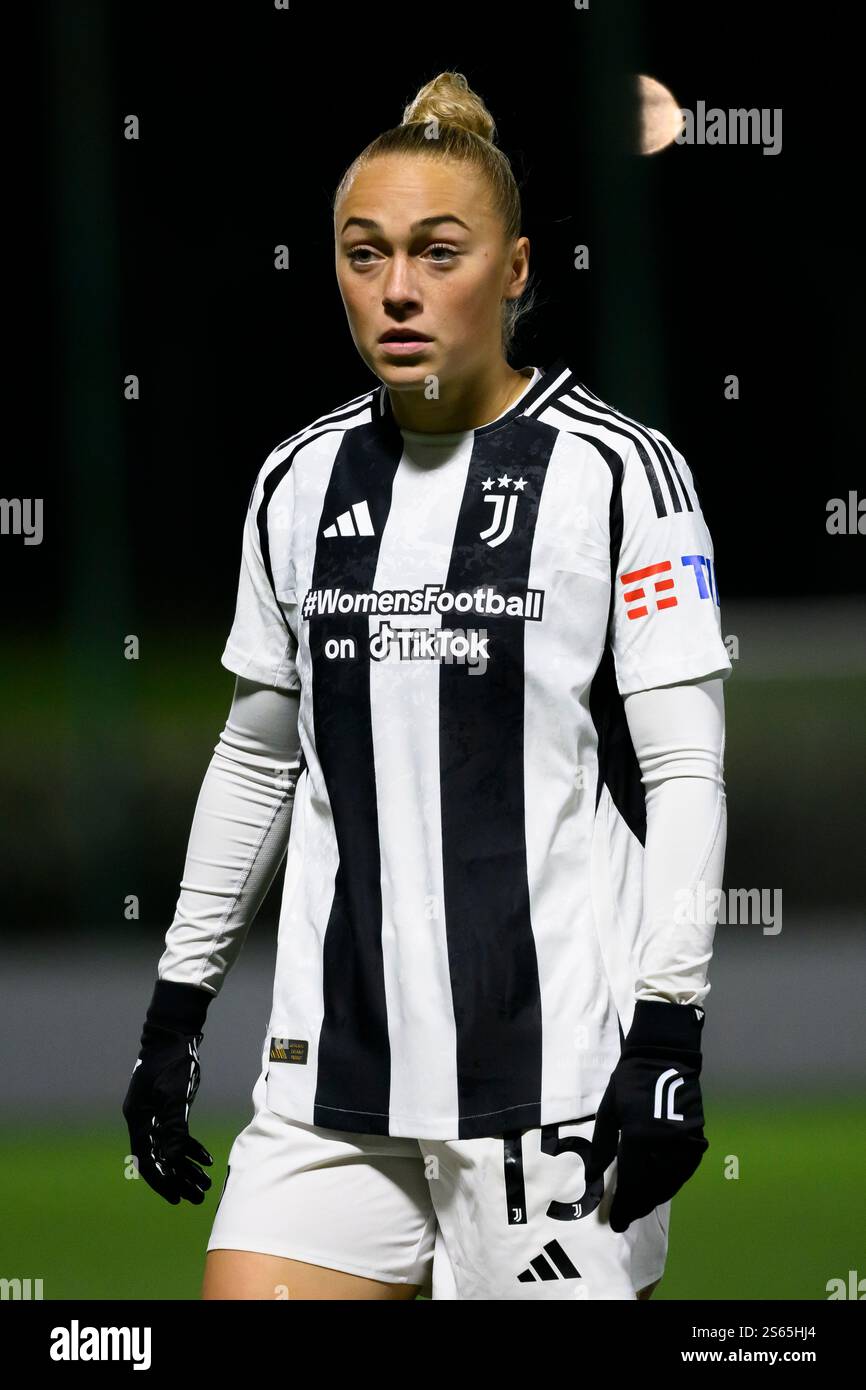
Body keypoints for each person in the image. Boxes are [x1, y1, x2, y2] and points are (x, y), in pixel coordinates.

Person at [123, 71, 731, 1301]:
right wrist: (176, 1007)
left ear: (512, 270)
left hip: (549, 1084)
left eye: (436, 252)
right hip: (328, 1083)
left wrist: (667, 1025)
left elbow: (682, 770)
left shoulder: (620, 475)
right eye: (365, 254)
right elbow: (255, 757)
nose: (397, 288)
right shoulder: (297, 482)